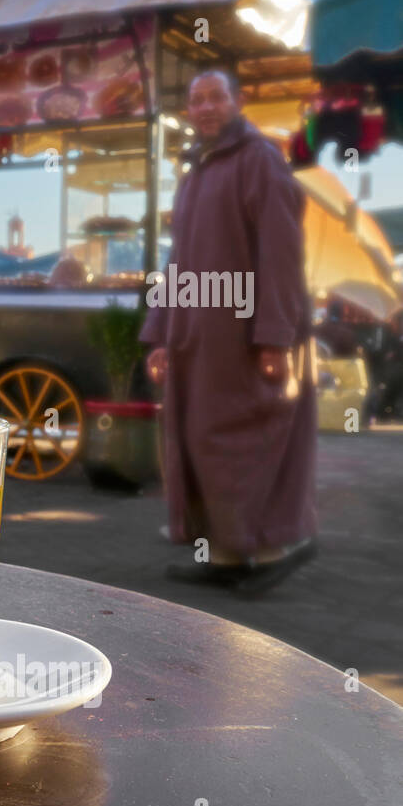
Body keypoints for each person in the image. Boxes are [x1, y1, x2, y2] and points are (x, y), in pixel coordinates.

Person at [141, 70, 318, 596]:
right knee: (203, 443)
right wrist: (160, 333)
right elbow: (179, 262)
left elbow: (281, 254)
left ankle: (265, 553)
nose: (206, 107)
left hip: (245, 339)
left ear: (237, 103)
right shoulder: (195, 171)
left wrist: (274, 338)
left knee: (250, 442)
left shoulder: (259, 159)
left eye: (217, 96)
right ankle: (222, 554)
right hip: (198, 340)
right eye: (196, 99)